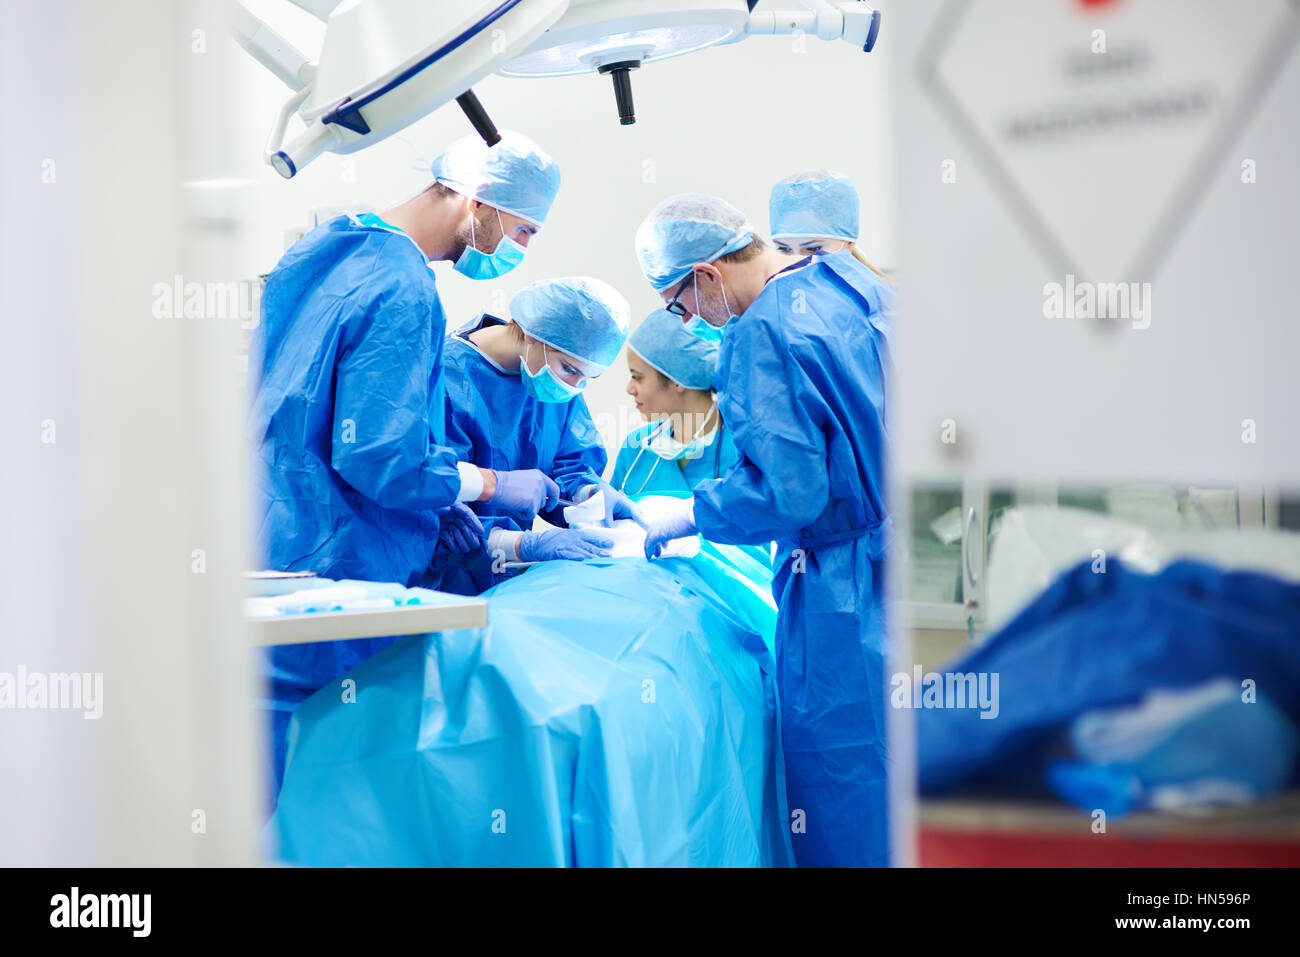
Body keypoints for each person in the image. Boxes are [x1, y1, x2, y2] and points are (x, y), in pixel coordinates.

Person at [248, 130, 563, 806]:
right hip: (340, 568)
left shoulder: (325, 246)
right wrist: (483, 482)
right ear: (476, 200)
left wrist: (432, 498)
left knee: (268, 769)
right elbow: (379, 458)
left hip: (270, 540)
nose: (522, 250)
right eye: (525, 229)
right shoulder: (406, 287)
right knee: (332, 784)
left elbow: (314, 410)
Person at [632, 192, 896, 867]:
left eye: (678, 302)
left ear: (709, 275)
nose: (687, 319)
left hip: (843, 591)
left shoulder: (759, 331)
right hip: (904, 558)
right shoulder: (851, 283)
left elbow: (793, 490)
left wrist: (693, 511)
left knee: (846, 786)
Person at [433, 277, 643, 595]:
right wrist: (528, 545)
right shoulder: (446, 380)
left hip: (507, 581)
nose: (574, 385)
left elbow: (569, 464)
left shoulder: (553, 381)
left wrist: (588, 495)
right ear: (533, 336)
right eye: (571, 370)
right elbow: (437, 513)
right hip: (440, 585)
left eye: (589, 377)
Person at [769, 168, 892, 283]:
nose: (795, 261)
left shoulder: (880, 300)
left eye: (813, 249)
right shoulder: (770, 297)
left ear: (849, 243)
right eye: (784, 249)